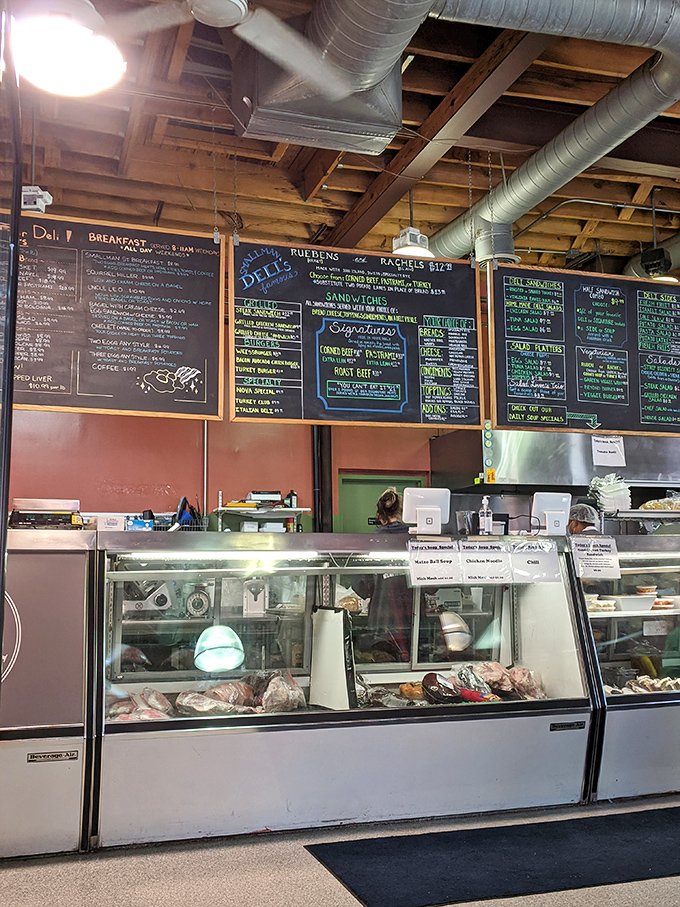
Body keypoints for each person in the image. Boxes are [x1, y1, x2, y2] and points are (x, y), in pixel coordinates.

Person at [352, 488, 413, 662]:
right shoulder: (416, 538)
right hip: (413, 617)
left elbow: (362, 586)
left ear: (379, 516)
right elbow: (432, 585)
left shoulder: (372, 543)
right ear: (402, 513)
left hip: (382, 619)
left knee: (385, 663)